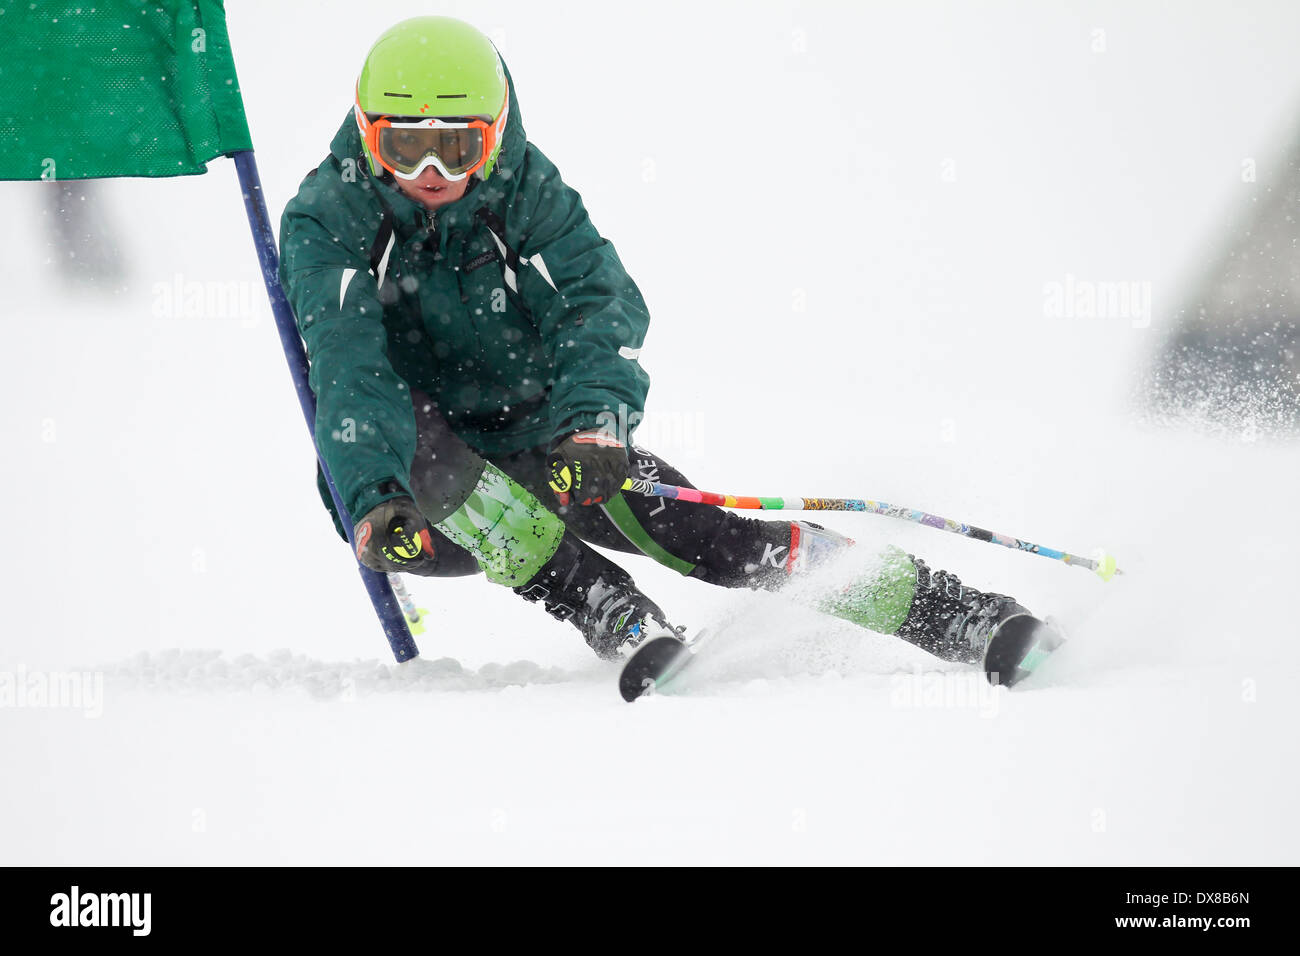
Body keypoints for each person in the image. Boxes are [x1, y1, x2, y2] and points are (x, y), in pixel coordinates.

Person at [279, 15, 1036, 667]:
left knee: (706, 536)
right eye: (406, 149)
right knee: (428, 446)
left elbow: (596, 305)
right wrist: (376, 497)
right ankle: (603, 606)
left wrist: (595, 427)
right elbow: (349, 366)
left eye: (458, 145)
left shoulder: (525, 192)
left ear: (497, 134)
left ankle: (947, 611)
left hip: (544, 437)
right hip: (414, 500)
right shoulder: (329, 215)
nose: (435, 171)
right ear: (367, 134)